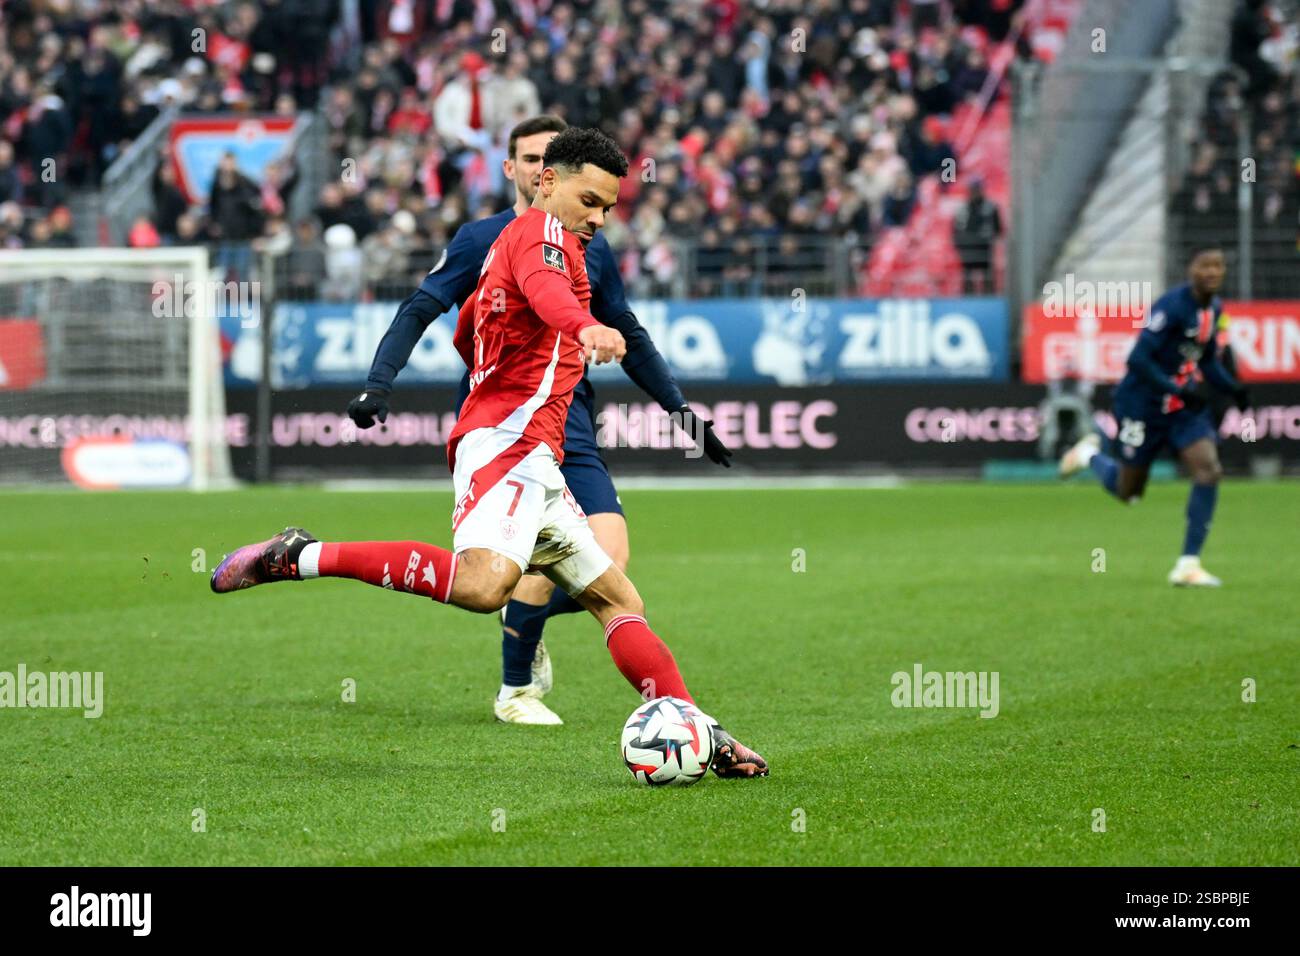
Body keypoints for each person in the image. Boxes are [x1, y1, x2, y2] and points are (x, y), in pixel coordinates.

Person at [211, 126, 767, 778]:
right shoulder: (536, 237)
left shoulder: (563, 245)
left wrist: (668, 402)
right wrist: (584, 326)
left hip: (541, 455)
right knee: (483, 585)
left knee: (620, 601)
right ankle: (298, 556)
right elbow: (542, 291)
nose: (600, 217)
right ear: (545, 181)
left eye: (610, 207)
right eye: (591, 200)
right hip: (505, 444)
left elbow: (492, 319)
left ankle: (703, 731)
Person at [346, 115, 731, 726]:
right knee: (502, 580)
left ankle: (675, 714)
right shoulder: (487, 238)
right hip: (506, 425)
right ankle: (516, 686)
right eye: (527, 158)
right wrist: (379, 381)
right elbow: (426, 308)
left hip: (570, 425)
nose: (535, 167)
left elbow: (626, 328)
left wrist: (678, 407)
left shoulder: (588, 243)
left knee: (608, 567)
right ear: (520, 170)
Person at [1059, 247, 1251, 586]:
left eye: (1218, 265)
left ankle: (1188, 565)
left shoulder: (1214, 310)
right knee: (1128, 492)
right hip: (1141, 407)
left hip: (1180, 411)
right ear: (1190, 269)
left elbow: (1205, 360)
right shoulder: (1172, 307)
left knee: (1209, 469)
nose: (1212, 271)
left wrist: (1232, 388)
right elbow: (1138, 361)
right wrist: (1178, 390)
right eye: (1204, 264)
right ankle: (1089, 454)